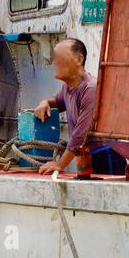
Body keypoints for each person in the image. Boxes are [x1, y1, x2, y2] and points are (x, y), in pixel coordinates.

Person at [33, 38, 96, 177]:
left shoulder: (90, 89)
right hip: (84, 157)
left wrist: (59, 165)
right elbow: (57, 101)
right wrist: (45, 102)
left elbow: (80, 136)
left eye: (59, 58)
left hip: (101, 158)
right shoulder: (68, 87)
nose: (54, 63)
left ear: (79, 59)